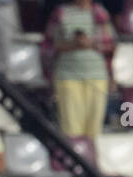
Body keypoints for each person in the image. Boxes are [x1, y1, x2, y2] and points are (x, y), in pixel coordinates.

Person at [43, 0, 114, 146]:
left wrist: (90, 43)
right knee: (71, 130)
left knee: (94, 131)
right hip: (68, 77)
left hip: (97, 77)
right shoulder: (61, 13)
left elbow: (110, 45)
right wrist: (74, 44)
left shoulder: (100, 13)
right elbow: (49, 46)